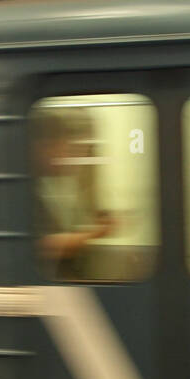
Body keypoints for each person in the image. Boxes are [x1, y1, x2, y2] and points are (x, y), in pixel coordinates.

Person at [33, 109, 114, 280]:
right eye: (62, 147)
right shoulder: (25, 191)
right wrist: (97, 233)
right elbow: (45, 245)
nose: (66, 156)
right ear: (42, 148)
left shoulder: (46, 187)